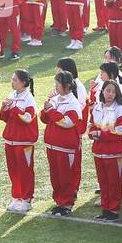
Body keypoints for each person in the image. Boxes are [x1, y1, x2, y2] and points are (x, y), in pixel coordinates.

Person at [40, 70, 83, 216]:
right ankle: (59, 202)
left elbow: (67, 122)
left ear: (66, 85)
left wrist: (51, 110)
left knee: (66, 177)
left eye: (57, 83)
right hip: (52, 145)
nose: (55, 86)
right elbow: (45, 119)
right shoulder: (55, 99)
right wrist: (45, 110)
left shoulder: (73, 103)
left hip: (66, 147)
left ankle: (67, 203)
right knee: (56, 176)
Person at [88, 78, 122, 221]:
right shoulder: (97, 108)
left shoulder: (119, 109)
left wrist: (102, 134)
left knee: (114, 183)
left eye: (113, 91)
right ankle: (106, 208)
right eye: (108, 91)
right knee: (103, 182)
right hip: (99, 152)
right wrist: (92, 133)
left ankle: (113, 210)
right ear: (103, 92)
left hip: (114, 153)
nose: (110, 94)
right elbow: (91, 125)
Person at [0, 70, 38, 213]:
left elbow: (28, 118)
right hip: (10, 140)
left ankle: (26, 199)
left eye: (15, 80)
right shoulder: (12, 95)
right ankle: (17, 197)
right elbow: (5, 118)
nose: (12, 82)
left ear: (23, 83)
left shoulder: (29, 99)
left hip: (24, 142)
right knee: (13, 171)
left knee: (25, 171)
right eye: (12, 79)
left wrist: (14, 109)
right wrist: (4, 108)